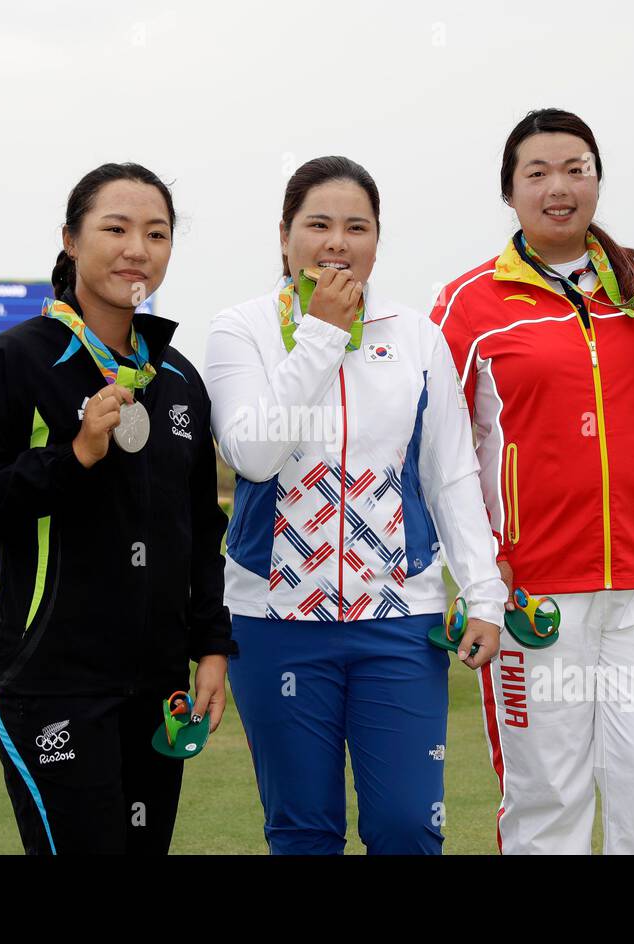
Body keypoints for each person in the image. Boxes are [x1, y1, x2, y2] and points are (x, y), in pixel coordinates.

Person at [432, 108, 634, 855]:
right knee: (548, 794)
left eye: (577, 168)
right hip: (533, 593)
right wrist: (478, 578)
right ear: (509, 192)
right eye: (536, 173)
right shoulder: (468, 306)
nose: (559, 187)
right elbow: (440, 456)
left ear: (599, 180)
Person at [204, 156, 507, 855]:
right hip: (274, 620)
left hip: (400, 621)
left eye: (356, 227)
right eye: (318, 224)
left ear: (377, 239)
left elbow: (451, 473)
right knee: (304, 832)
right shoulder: (240, 329)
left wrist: (485, 593)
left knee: (406, 827)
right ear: (284, 236)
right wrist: (320, 333)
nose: (337, 242)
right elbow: (252, 454)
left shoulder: (417, 336)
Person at [0, 162, 235, 855]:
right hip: (52, 682)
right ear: (71, 239)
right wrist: (71, 456)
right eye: (116, 228)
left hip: (159, 686)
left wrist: (213, 646)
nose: (138, 248)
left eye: (157, 233)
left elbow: (200, 531)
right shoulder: (15, 361)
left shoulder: (180, 380)